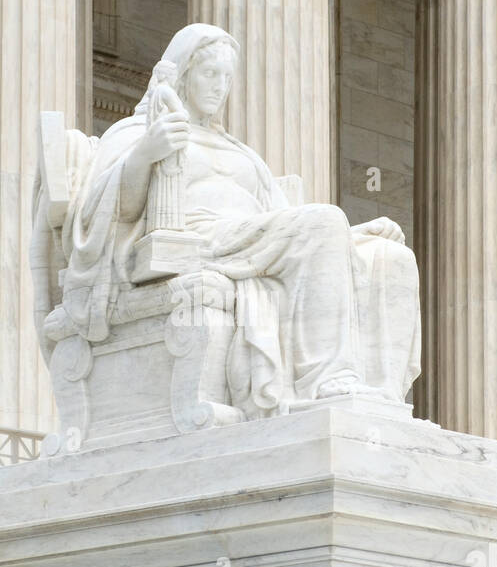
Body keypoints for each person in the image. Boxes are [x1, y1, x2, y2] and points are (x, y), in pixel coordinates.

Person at [43, 23, 420, 418]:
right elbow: (108, 212)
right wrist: (146, 153)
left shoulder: (240, 151)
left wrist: (351, 234)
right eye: (209, 74)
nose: (219, 87)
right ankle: (327, 381)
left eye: (226, 77)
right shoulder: (139, 130)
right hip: (196, 240)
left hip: (252, 242)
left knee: (389, 257)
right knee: (325, 222)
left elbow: (286, 222)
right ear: (184, 74)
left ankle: (383, 399)